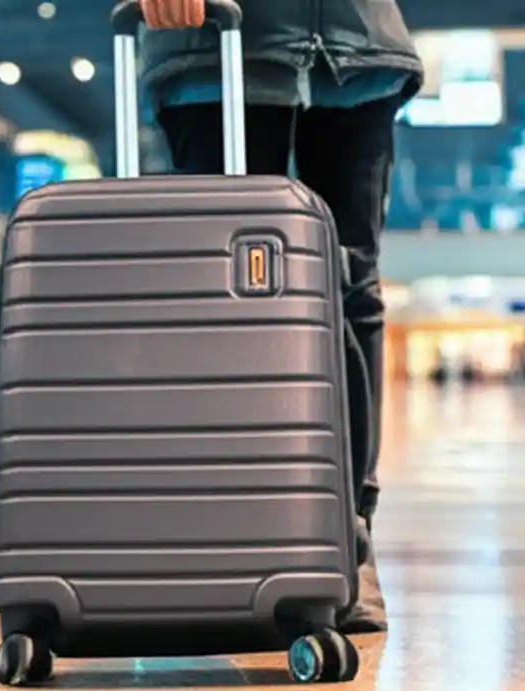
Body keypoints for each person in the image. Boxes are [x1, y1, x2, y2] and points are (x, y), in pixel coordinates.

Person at [136, 0, 425, 633]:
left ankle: (348, 536)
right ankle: (226, 533)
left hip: (357, 42)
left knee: (349, 286)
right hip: (213, 37)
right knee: (221, 293)